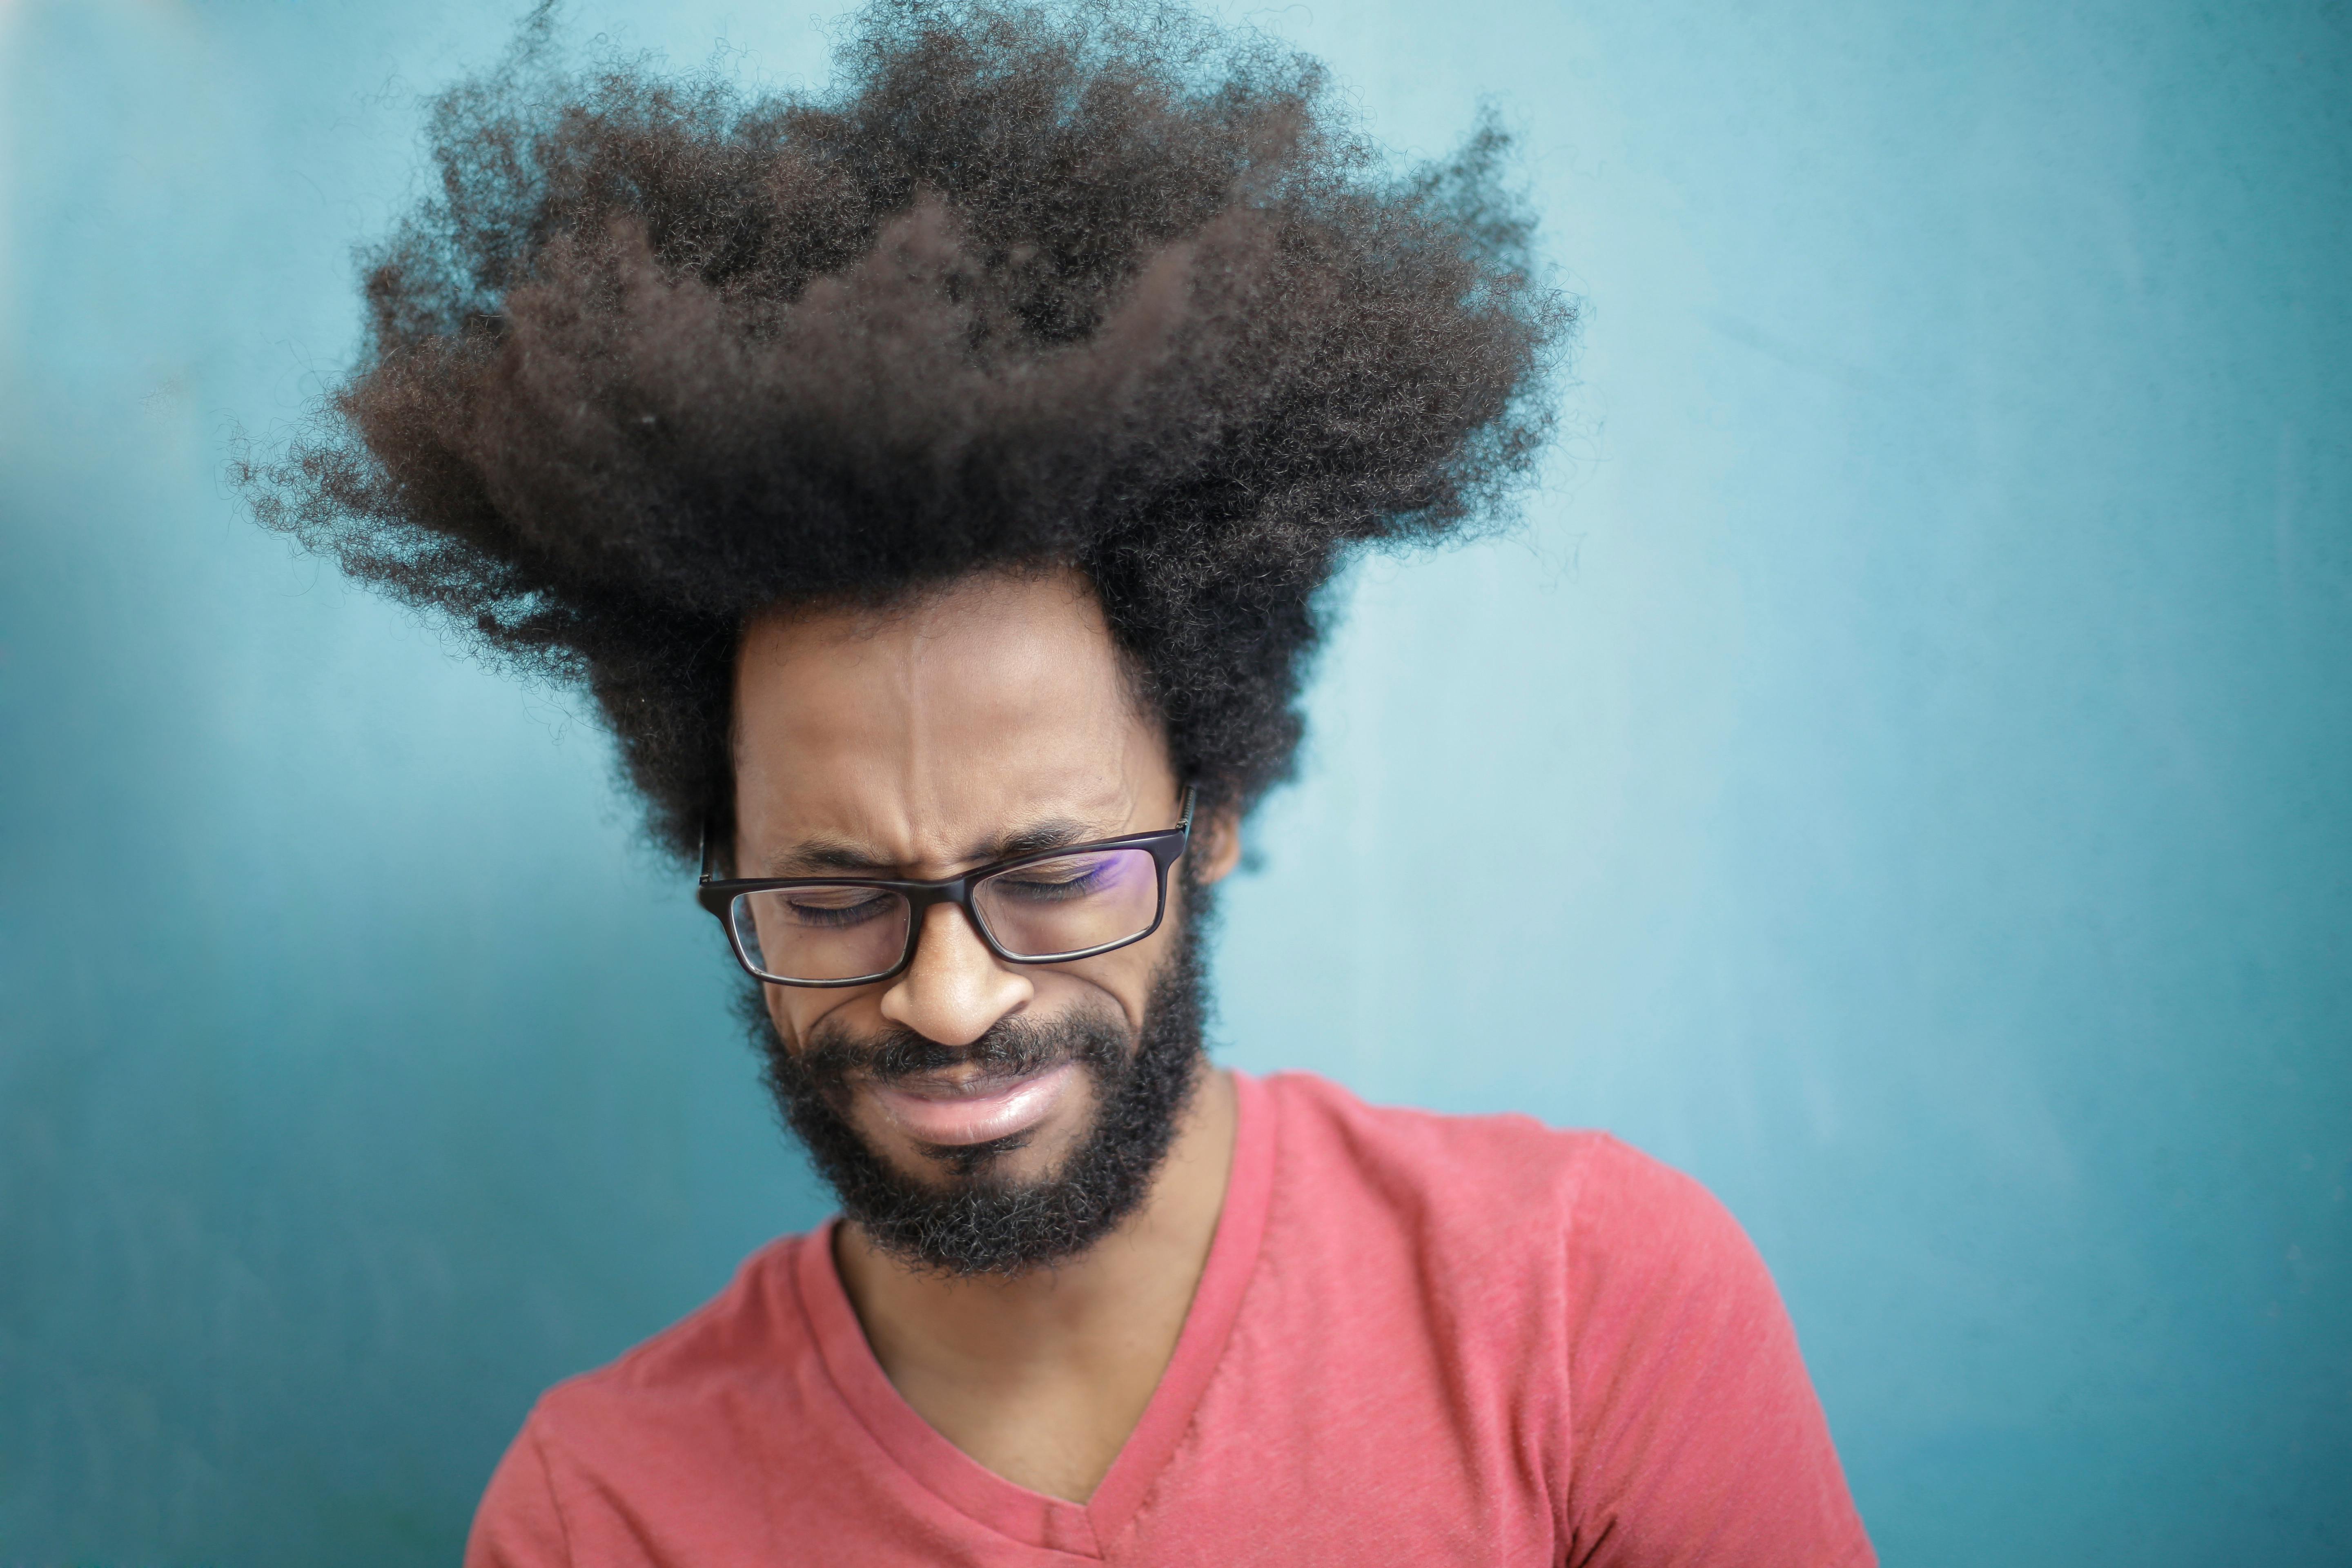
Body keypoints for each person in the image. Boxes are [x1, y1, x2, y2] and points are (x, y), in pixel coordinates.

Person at [245, 1, 1875, 1561]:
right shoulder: (605, 1516)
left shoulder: (1587, 1310)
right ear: (721, 856)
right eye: (832, 897)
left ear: (1211, 809)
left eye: (1049, 877)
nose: (949, 1000)